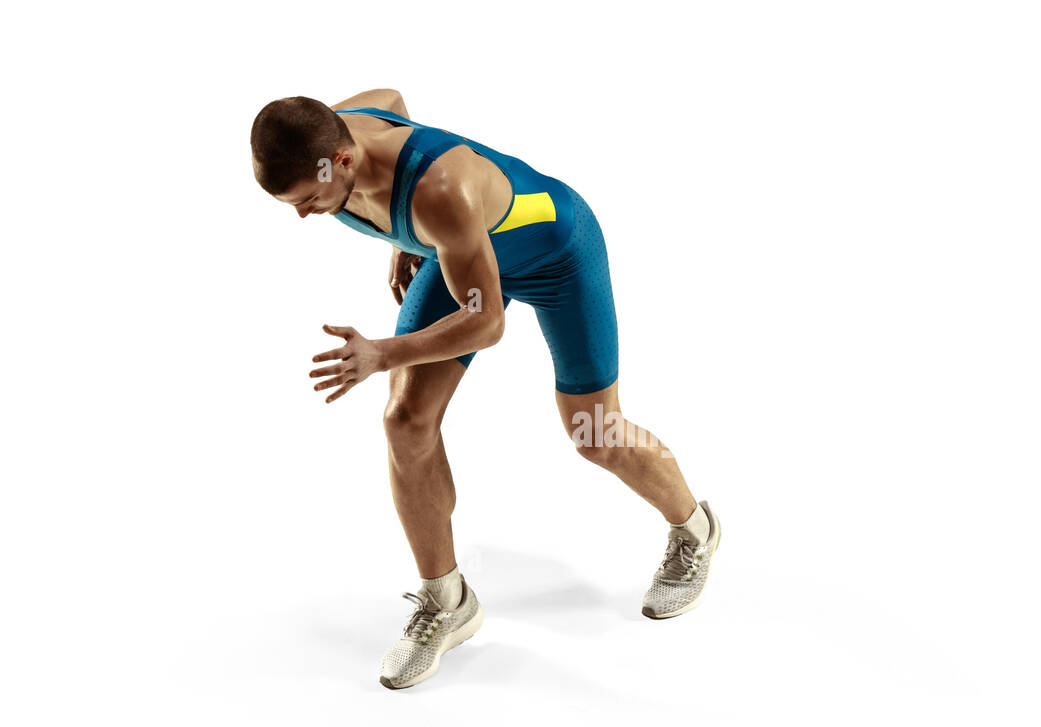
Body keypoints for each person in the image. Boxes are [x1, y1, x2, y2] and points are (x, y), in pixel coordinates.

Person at [250, 90, 721, 689]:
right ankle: (446, 601)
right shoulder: (334, 132)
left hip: (555, 257)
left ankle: (696, 530)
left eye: (310, 201)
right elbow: (393, 98)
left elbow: (486, 321)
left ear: (342, 159)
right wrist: (406, 240)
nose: (304, 215)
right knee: (405, 422)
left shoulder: (440, 192)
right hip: (459, 253)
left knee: (594, 434)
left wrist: (381, 352)